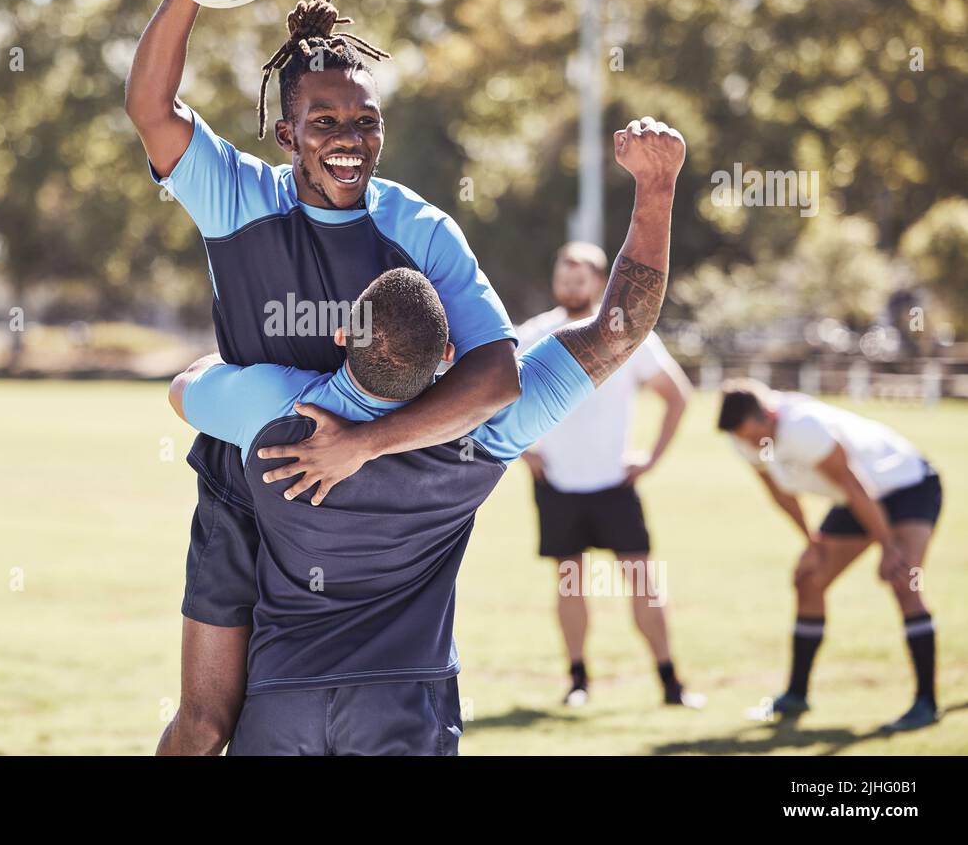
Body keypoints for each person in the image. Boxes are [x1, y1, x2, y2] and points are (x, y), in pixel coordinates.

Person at [126, 0, 521, 755]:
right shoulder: (240, 197)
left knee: (329, 706)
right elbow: (152, 108)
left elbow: (498, 378)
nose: (349, 138)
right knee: (204, 720)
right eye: (325, 122)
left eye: (366, 121)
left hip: (355, 497)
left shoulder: (415, 226)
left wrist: (366, 446)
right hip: (245, 478)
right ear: (286, 130)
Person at [169, 117, 685, 754]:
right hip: (405, 705)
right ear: (448, 351)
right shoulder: (492, 424)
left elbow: (184, 387)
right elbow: (620, 330)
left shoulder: (274, 411)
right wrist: (656, 188)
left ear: (343, 335)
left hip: (283, 701)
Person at [515, 241, 700, 709]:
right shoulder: (533, 334)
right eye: (564, 275)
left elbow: (678, 396)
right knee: (570, 582)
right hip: (558, 486)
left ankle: (670, 683)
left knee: (643, 581)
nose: (571, 284)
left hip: (615, 485)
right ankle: (577, 681)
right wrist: (525, 453)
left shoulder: (628, 334)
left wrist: (652, 459)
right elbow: (496, 396)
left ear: (600, 282)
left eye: (581, 278)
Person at [717, 378, 942, 732]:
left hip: (905, 485)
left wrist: (888, 547)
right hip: (854, 499)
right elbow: (780, 494)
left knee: (904, 580)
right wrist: (811, 540)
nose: (749, 444)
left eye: (753, 435)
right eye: (742, 438)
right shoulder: (743, 437)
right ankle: (796, 694)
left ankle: (926, 702)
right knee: (809, 578)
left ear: (769, 415)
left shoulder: (803, 426)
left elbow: (853, 484)